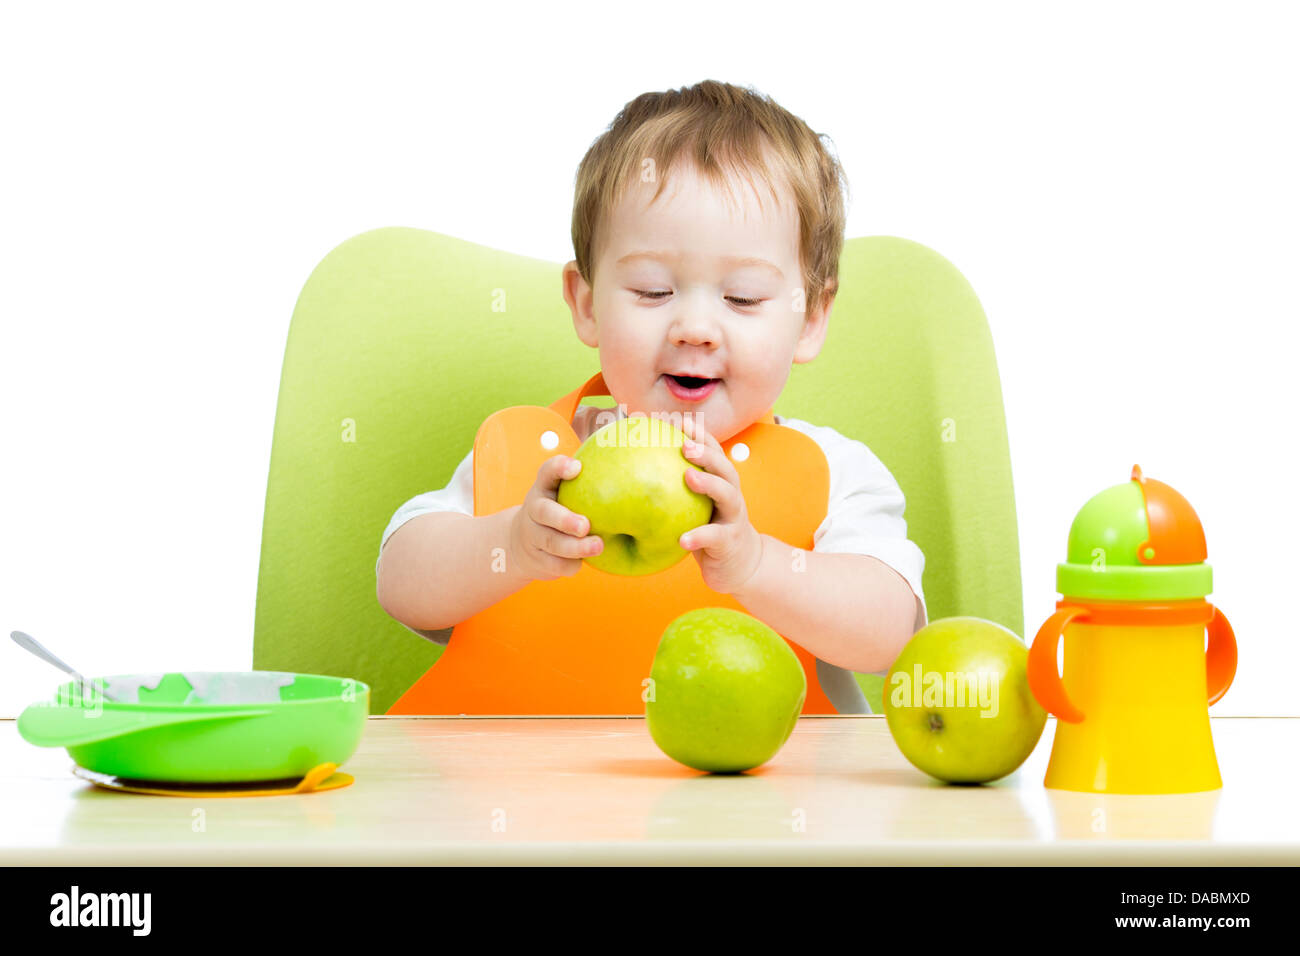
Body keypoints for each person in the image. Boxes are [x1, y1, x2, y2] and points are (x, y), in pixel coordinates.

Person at [375, 79, 927, 714]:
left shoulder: (833, 473)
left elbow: (890, 634)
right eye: (652, 291)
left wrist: (755, 564)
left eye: (742, 297)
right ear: (587, 304)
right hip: (528, 803)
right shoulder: (539, 460)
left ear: (809, 319)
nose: (694, 328)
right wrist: (514, 542)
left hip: (759, 809)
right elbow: (401, 583)